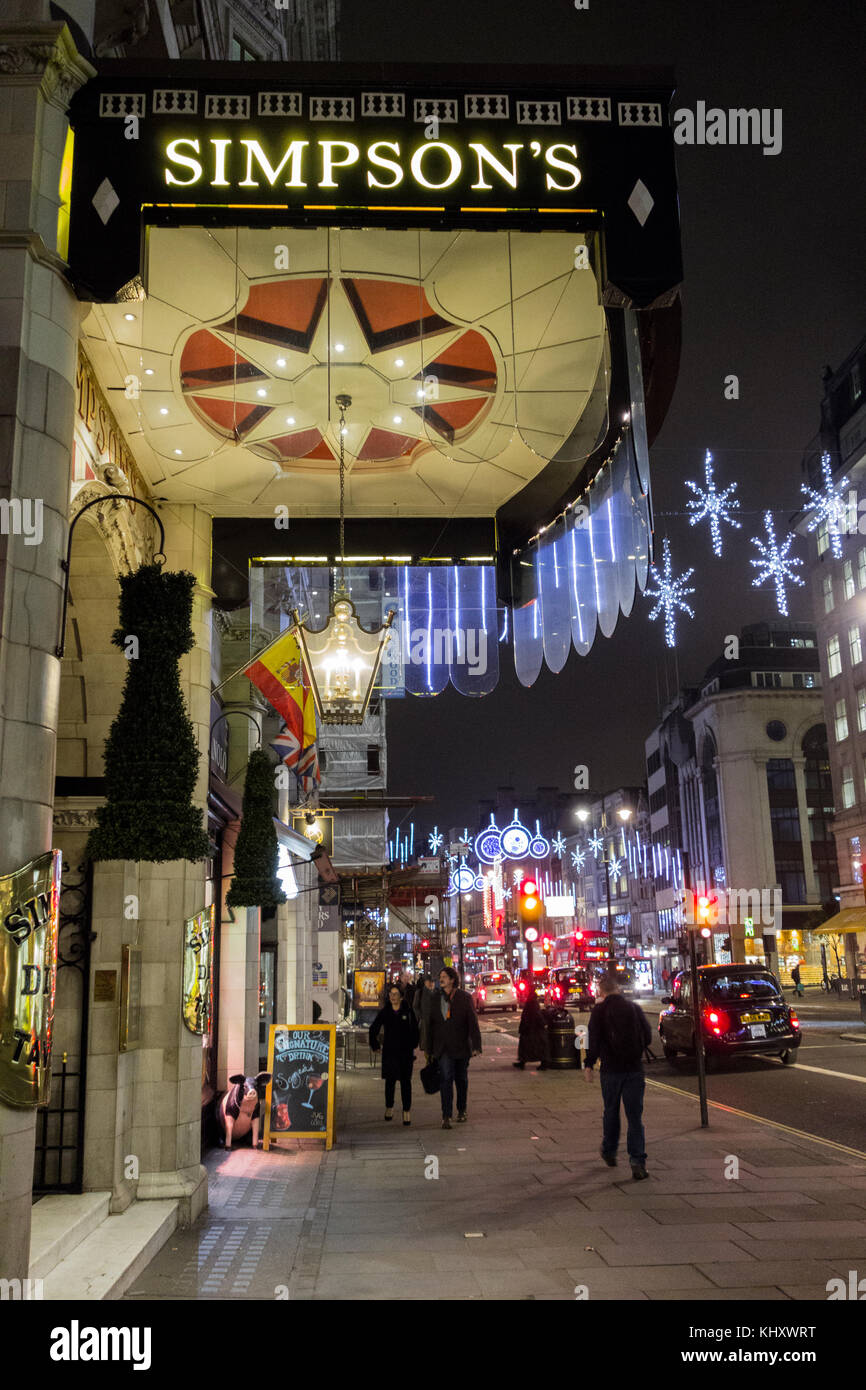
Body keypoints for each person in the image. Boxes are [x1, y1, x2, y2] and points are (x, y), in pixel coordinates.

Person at [583, 973, 652, 1180]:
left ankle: (610, 1151)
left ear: (602, 992)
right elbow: (647, 1036)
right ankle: (637, 1162)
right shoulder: (633, 1008)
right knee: (635, 1118)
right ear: (618, 989)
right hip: (633, 1069)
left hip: (610, 1070)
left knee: (611, 1112)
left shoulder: (599, 1011)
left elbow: (593, 1040)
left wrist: (589, 1065)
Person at [428, 966, 482, 1129]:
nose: (441, 979)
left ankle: (462, 1109)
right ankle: (446, 1115)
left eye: (444, 976)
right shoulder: (435, 998)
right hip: (443, 1047)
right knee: (445, 1079)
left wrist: (476, 1045)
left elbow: (472, 1022)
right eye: (440, 976)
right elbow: (431, 1024)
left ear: (452, 979)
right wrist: (429, 1048)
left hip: (461, 1045)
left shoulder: (464, 998)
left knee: (461, 1079)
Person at [369, 983, 419, 1125]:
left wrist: (412, 1045)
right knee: (390, 1082)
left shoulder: (408, 1012)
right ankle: (389, 1107)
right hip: (390, 1052)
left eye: (396, 994)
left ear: (402, 997)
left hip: (405, 1053)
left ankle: (406, 1111)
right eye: (391, 994)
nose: (393, 996)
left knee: (405, 1082)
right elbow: (374, 1028)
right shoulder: (385, 1011)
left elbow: (415, 1031)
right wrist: (375, 1045)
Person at [513, 987, 549, 1069]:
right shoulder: (532, 1001)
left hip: (531, 1028)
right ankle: (522, 1062)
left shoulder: (532, 1002)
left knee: (533, 1045)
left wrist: (543, 1024)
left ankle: (543, 1063)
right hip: (529, 1028)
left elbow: (537, 1015)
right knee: (526, 1045)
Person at [415, 974, 439, 1061]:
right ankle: (428, 1061)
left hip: (436, 1023)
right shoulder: (420, 993)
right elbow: (415, 1007)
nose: (431, 984)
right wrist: (421, 1016)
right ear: (425, 982)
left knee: (435, 1044)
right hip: (425, 1022)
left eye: (433, 982)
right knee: (426, 1044)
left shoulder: (438, 993)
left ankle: (433, 1061)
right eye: (429, 982)